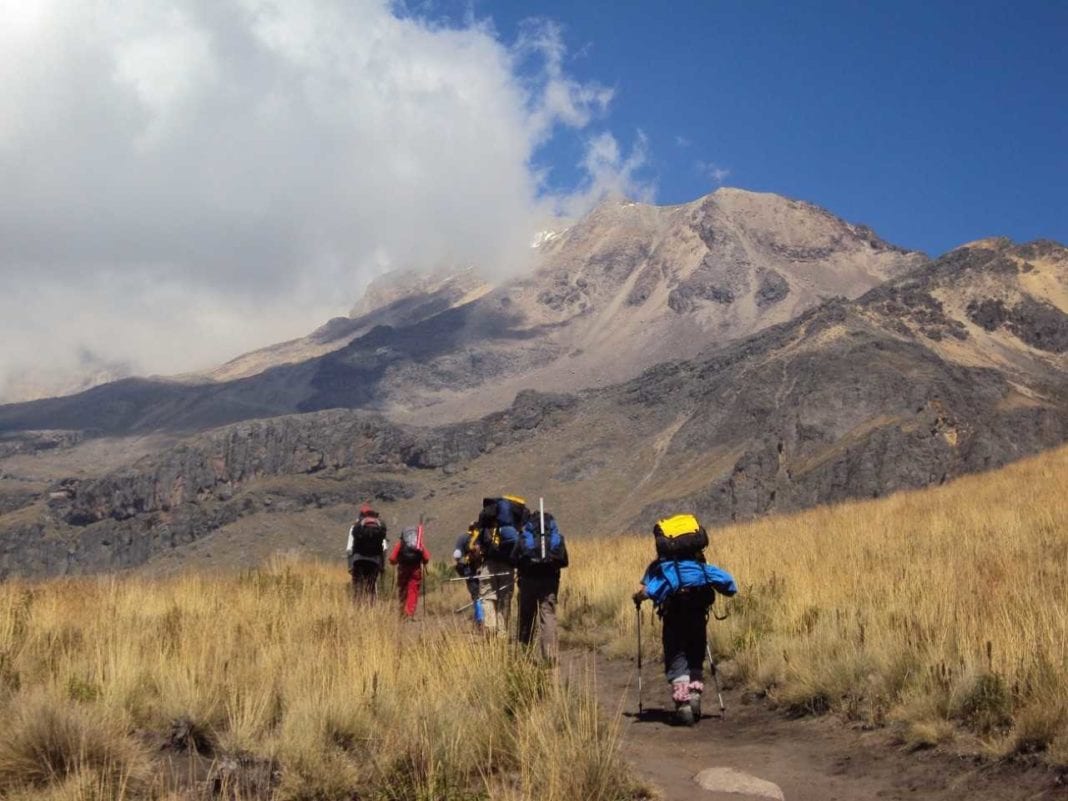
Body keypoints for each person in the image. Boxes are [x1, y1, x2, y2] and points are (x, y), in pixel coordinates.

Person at [632, 514, 737, 725]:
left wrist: (637, 597)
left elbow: (650, 591)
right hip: (698, 618)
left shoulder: (667, 570)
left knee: (677, 655)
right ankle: (695, 696)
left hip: (674, 619)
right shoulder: (701, 568)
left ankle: (684, 706)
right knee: (695, 654)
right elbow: (730, 585)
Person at [513, 505, 568, 662]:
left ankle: (525, 655)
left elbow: (514, 558)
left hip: (528, 581)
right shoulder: (556, 538)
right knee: (548, 616)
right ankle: (550, 656)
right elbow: (564, 561)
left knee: (526, 617)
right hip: (550, 581)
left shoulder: (525, 537)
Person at [473, 496, 525, 637]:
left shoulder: (484, 526)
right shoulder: (512, 526)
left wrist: (478, 564)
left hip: (488, 565)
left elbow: (476, 549)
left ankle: (490, 629)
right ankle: (502, 634)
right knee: (505, 599)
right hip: (508, 566)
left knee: (488, 597)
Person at [346, 503, 388, 599]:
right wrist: (382, 566)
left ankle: (358, 609)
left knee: (358, 587)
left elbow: (349, 548)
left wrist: (350, 566)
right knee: (371, 587)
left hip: (358, 560)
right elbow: (384, 548)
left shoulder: (356, 526)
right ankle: (371, 609)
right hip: (374, 561)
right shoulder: (378, 526)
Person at [389, 525, 431, 619]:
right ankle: (409, 612)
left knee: (402, 590)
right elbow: (427, 558)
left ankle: (402, 611)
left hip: (402, 569)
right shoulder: (419, 545)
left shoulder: (400, 544)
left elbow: (392, 558)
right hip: (416, 570)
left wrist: (395, 562)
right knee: (413, 591)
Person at [453, 522, 484, 626]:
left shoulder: (462, 538)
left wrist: (459, 563)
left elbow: (457, 555)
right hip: (483, 568)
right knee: (485, 592)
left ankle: (480, 619)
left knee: (475, 593)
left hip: (469, 569)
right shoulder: (482, 536)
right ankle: (484, 616)